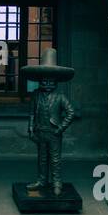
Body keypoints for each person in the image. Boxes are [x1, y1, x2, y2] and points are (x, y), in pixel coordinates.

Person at [21, 49, 76, 196]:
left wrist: (61, 128)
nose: (47, 83)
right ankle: (42, 180)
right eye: (44, 80)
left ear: (55, 82)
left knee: (55, 159)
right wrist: (31, 129)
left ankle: (57, 182)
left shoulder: (60, 97)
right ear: (40, 81)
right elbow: (32, 113)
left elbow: (71, 112)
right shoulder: (36, 95)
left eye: (51, 80)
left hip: (53, 133)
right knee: (42, 158)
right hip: (40, 131)